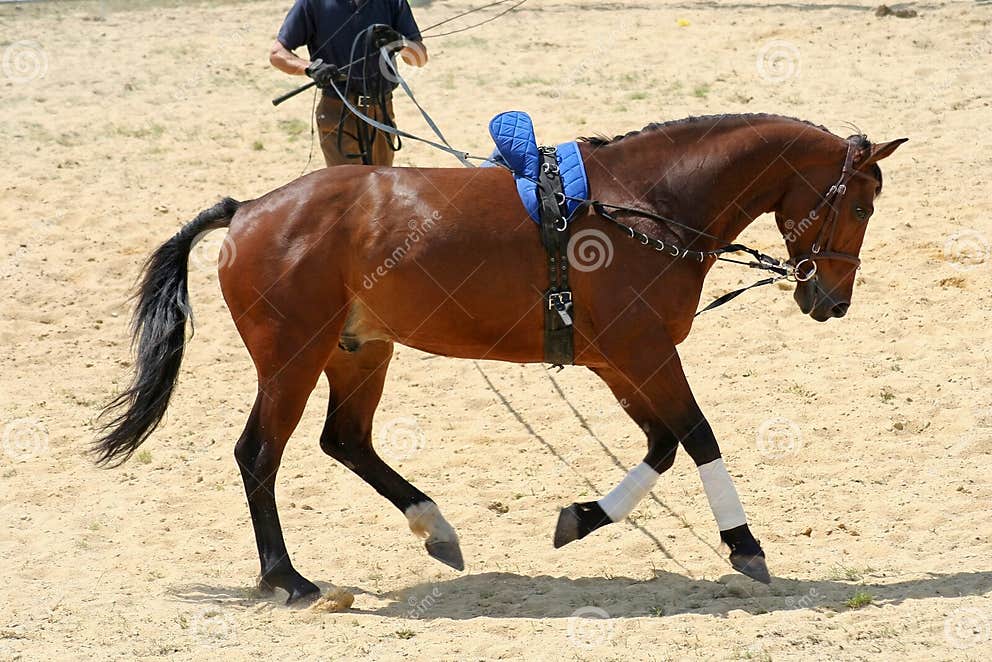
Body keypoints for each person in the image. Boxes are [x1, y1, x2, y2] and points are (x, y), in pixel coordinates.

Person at [270, 1, 428, 167]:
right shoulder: (312, 4)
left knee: (381, 186)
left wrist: (400, 42)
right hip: (337, 111)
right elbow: (277, 54)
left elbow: (420, 58)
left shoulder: (393, 2)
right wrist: (310, 68)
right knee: (352, 187)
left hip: (381, 112)